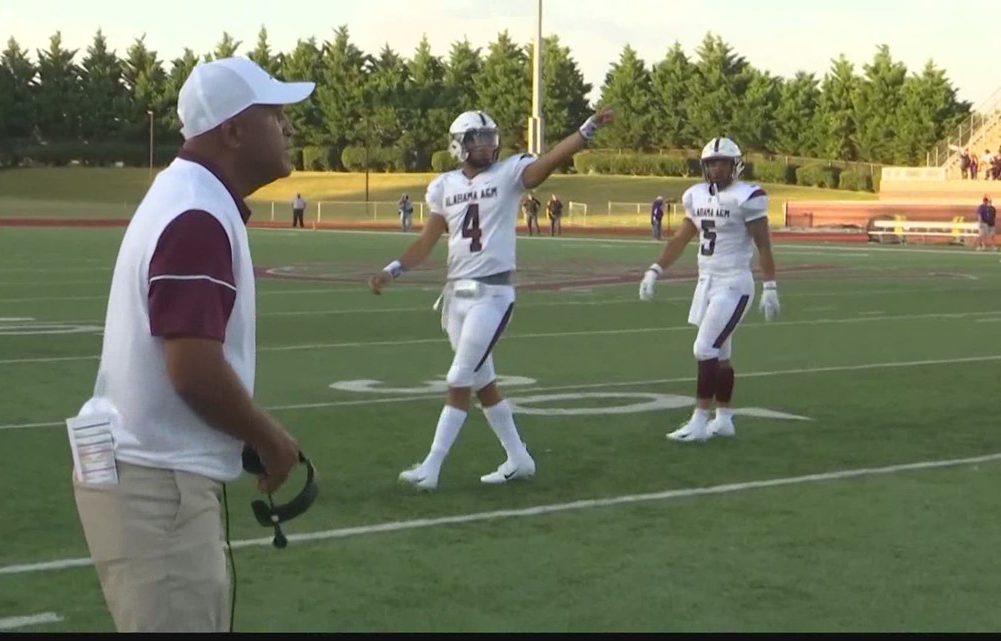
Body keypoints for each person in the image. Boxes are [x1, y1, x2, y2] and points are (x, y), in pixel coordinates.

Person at [69, 56, 308, 632]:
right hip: (157, 482)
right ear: (232, 131)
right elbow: (192, 368)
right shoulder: (198, 212)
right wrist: (269, 438)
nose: (288, 128)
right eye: (274, 115)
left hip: (140, 466)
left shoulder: (187, 194)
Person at [369, 106, 614, 489]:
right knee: (484, 384)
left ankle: (431, 467)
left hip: (493, 294)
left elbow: (545, 164)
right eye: (475, 139)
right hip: (456, 297)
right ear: (458, 145)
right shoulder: (444, 186)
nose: (485, 146)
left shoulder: (509, 173)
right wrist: (393, 268)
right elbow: (427, 240)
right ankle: (519, 458)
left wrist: (585, 131)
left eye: (488, 139)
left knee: (458, 376)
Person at [638, 136, 780, 442]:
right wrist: (655, 269)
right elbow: (680, 239)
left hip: (734, 283)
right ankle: (724, 418)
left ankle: (699, 421)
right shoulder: (696, 196)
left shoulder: (747, 196)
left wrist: (770, 285)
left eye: (722, 162)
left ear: (735, 165)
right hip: (707, 282)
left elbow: (763, 244)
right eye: (711, 163)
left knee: (704, 349)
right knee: (721, 354)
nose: (716, 168)